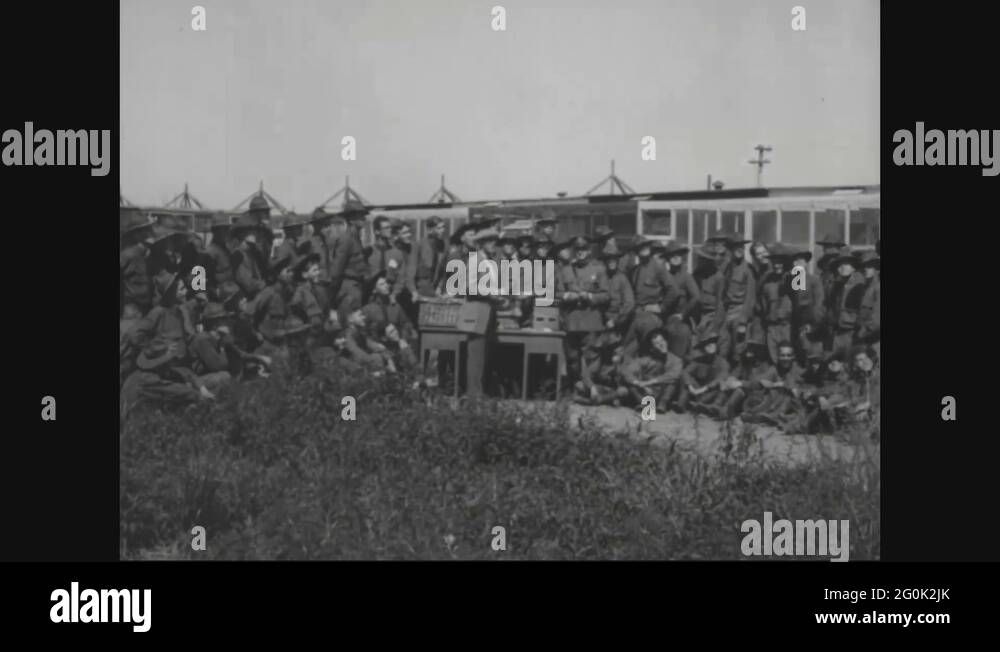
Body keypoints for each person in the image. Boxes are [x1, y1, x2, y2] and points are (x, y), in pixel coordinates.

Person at [556, 235, 610, 387]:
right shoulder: (565, 270)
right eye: (577, 250)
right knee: (572, 357)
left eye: (583, 249)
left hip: (591, 319)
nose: (580, 252)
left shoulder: (598, 269)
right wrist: (568, 295)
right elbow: (557, 293)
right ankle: (575, 387)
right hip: (572, 320)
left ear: (589, 251)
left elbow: (606, 295)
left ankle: (590, 388)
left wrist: (590, 296)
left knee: (591, 357)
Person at [715, 233, 756, 365]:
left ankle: (738, 375)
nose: (738, 250)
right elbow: (722, 294)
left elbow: (750, 297)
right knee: (723, 344)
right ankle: (723, 373)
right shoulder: (727, 268)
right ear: (731, 250)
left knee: (739, 348)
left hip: (740, 311)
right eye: (735, 247)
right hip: (727, 311)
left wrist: (743, 319)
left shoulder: (748, 269)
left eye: (741, 247)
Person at [619, 328, 684, 412]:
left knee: (673, 381)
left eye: (662, 340)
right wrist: (639, 383)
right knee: (630, 381)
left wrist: (651, 382)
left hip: (664, 392)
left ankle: (661, 405)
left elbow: (674, 375)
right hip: (647, 391)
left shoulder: (676, 360)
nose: (661, 344)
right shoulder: (648, 359)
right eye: (657, 343)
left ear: (667, 341)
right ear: (652, 347)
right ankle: (644, 403)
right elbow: (626, 370)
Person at [329, 202, 372, 324]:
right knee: (350, 325)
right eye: (360, 216)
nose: (364, 218)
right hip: (348, 289)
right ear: (352, 220)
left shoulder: (355, 238)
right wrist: (331, 300)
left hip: (356, 287)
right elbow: (336, 272)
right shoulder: (346, 240)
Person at [662, 240, 700, 359]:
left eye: (678, 254)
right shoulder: (664, 276)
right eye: (672, 255)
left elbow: (696, 297)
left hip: (681, 319)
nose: (675, 257)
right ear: (667, 258)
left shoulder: (686, 277)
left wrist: (682, 314)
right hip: (666, 317)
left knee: (681, 333)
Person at [677, 331, 730, 414]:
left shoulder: (722, 362)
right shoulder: (699, 360)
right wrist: (690, 386)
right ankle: (681, 404)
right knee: (687, 378)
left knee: (722, 385)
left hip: (710, 391)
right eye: (707, 345)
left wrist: (704, 389)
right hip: (697, 389)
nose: (710, 346)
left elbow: (721, 377)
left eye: (713, 344)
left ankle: (701, 405)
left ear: (716, 346)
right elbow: (685, 372)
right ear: (703, 348)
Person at [757, 243, 793, 364]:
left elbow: (801, 299)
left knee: (787, 358)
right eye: (775, 262)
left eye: (780, 262)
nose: (777, 265)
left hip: (787, 326)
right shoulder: (767, 282)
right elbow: (762, 304)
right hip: (771, 327)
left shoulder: (793, 279)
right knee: (773, 359)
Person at [789, 247, 825, 365]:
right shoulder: (791, 281)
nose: (797, 264)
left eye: (800, 261)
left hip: (810, 326)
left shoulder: (814, 280)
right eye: (795, 261)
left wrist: (813, 324)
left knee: (811, 355)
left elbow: (819, 304)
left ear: (805, 263)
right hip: (795, 326)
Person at [826, 250, 866, 354]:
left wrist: (859, 332)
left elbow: (863, 310)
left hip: (851, 332)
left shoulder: (859, 284)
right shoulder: (837, 285)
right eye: (841, 264)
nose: (843, 267)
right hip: (837, 332)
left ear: (853, 267)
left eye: (847, 264)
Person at [120, 209, 154, 317]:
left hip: (146, 307)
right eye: (144, 230)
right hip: (132, 308)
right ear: (136, 234)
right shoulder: (128, 254)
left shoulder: (148, 253)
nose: (149, 233)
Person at [230, 214, 270, 300]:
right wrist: (264, 284)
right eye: (253, 230)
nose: (256, 233)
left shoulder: (250, 253)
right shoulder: (239, 255)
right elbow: (247, 283)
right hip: (245, 299)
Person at [856, 250, 880, 358]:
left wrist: (864, 331)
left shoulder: (878, 287)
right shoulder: (865, 287)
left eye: (869, 266)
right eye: (863, 266)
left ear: (876, 267)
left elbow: (876, 317)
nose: (866, 269)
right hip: (865, 334)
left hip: (874, 336)